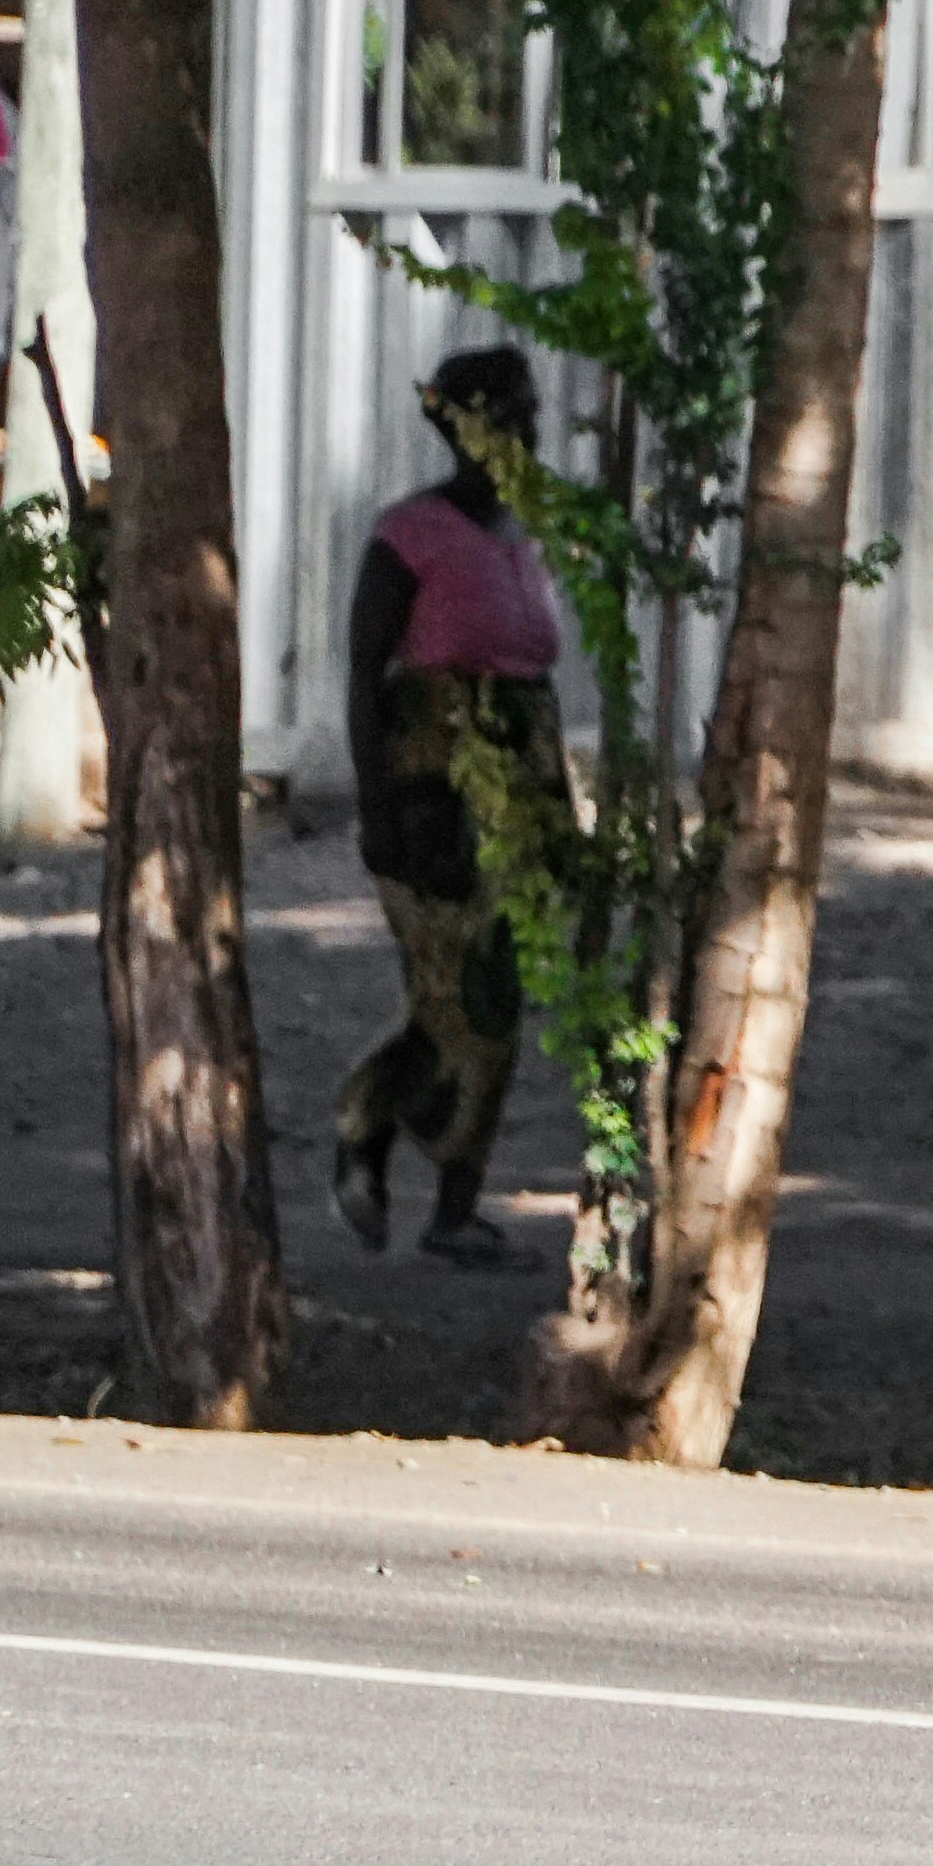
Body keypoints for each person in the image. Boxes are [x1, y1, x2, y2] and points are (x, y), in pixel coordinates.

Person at [337, 347, 568, 1266]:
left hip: (525, 793)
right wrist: (377, 807)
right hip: (434, 795)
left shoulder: (524, 533)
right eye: (507, 416)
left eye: (531, 415)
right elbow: (364, 673)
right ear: (462, 425)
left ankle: (451, 1208)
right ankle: (365, 1125)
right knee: (456, 995)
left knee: (500, 996)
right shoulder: (409, 537)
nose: (526, 433)